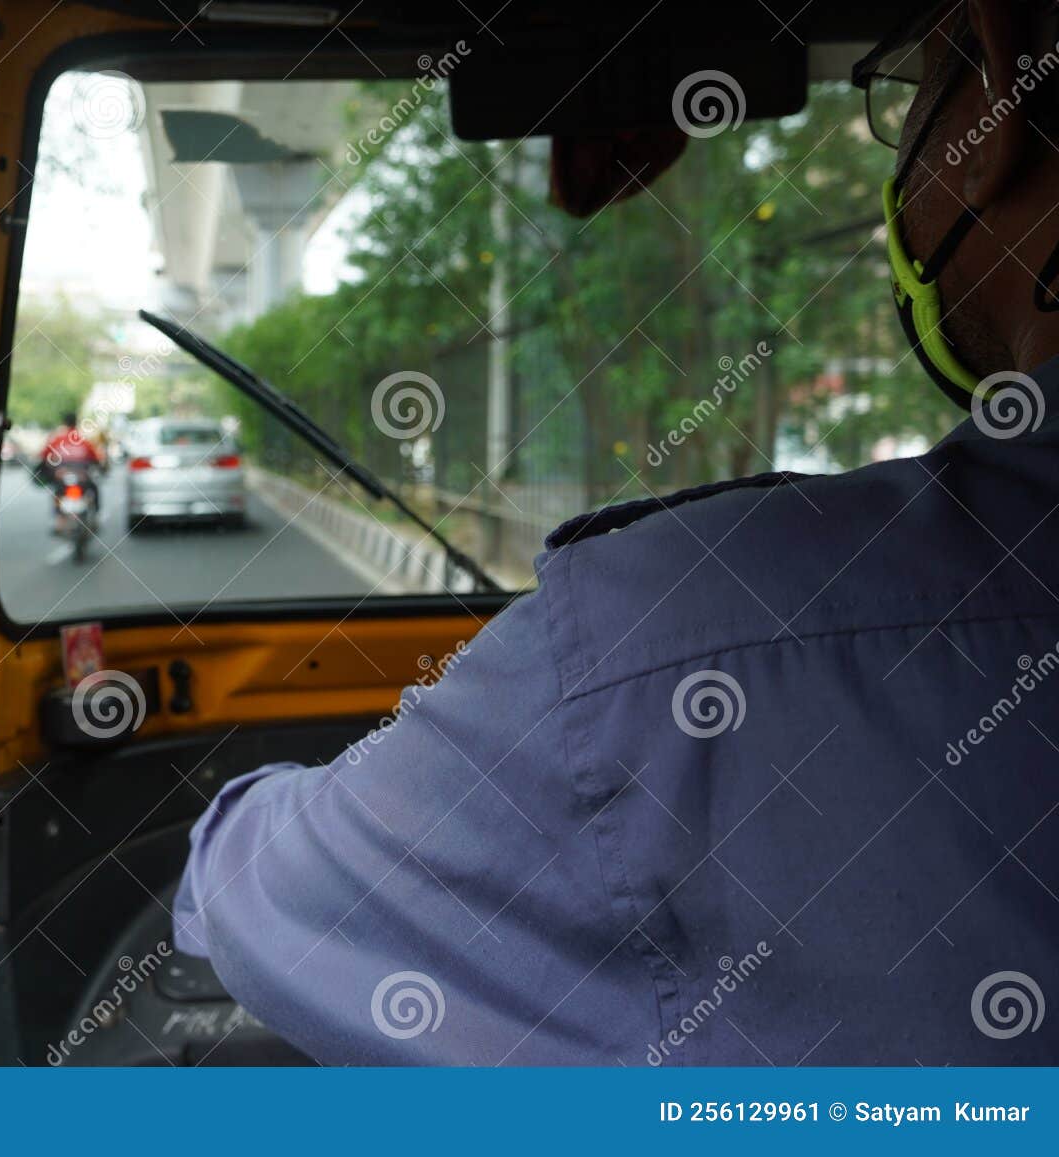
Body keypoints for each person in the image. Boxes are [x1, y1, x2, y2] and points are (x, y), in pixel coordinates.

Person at [174, 0, 1059, 1067]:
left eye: (910, 83)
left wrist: (235, 819)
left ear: (994, 89)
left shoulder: (676, 642)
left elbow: (263, 897)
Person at [40, 411, 103, 515]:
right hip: (82, 477)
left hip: (61, 478)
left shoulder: (57, 440)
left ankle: (58, 516)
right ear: (76, 423)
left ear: (64, 423)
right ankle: (96, 514)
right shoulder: (84, 441)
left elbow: (44, 455)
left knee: (56, 491)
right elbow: (96, 458)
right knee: (94, 488)